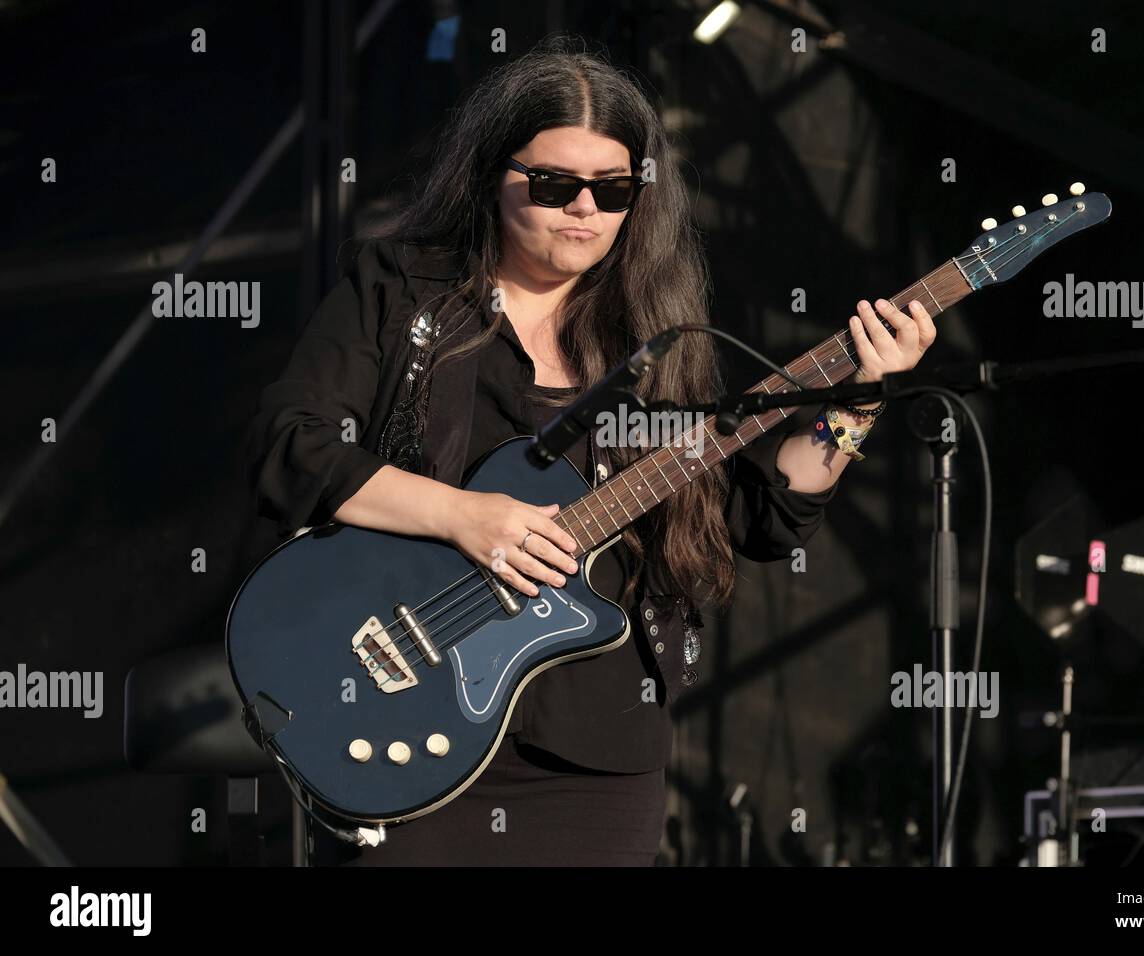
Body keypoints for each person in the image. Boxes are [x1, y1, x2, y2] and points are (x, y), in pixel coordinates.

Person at [246, 35, 936, 866]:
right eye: (554, 184)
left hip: (598, 750)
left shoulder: (660, 339)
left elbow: (766, 518)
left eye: (612, 190)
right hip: (405, 716)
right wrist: (467, 518)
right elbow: (294, 446)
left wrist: (857, 396)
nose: (584, 209)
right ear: (489, 176)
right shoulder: (401, 289)